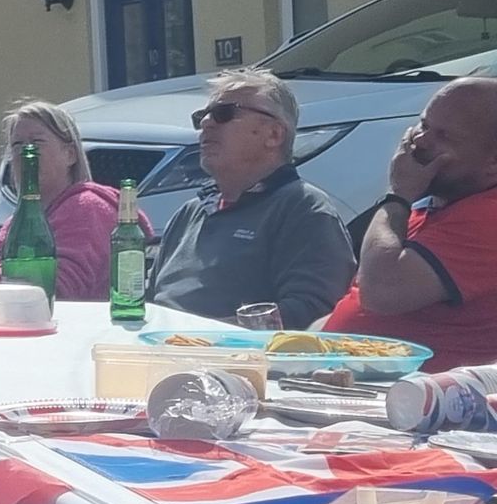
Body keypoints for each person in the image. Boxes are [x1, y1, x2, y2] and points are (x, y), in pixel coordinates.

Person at [148, 70, 355, 328]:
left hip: (233, 353)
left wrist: (205, 336)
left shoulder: (304, 208)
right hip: (158, 347)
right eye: (202, 116)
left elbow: (314, 313)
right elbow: (147, 302)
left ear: (274, 135)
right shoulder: (188, 214)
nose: (206, 123)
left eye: (225, 113)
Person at [325, 78, 497, 372]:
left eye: (444, 136)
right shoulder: (435, 206)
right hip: (350, 377)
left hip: (413, 393)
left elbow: (382, 292)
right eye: (423, 125)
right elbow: (356, 302)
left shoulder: (487, 217)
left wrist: (398, 195)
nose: (420, 141)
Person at [0, 101, 149, 299]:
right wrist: (3, 273)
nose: (26, 152)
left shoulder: (87, 207)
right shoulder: (16, 222)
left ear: (70, 154)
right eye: (17, 145)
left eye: (37, 142)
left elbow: (53, 292)